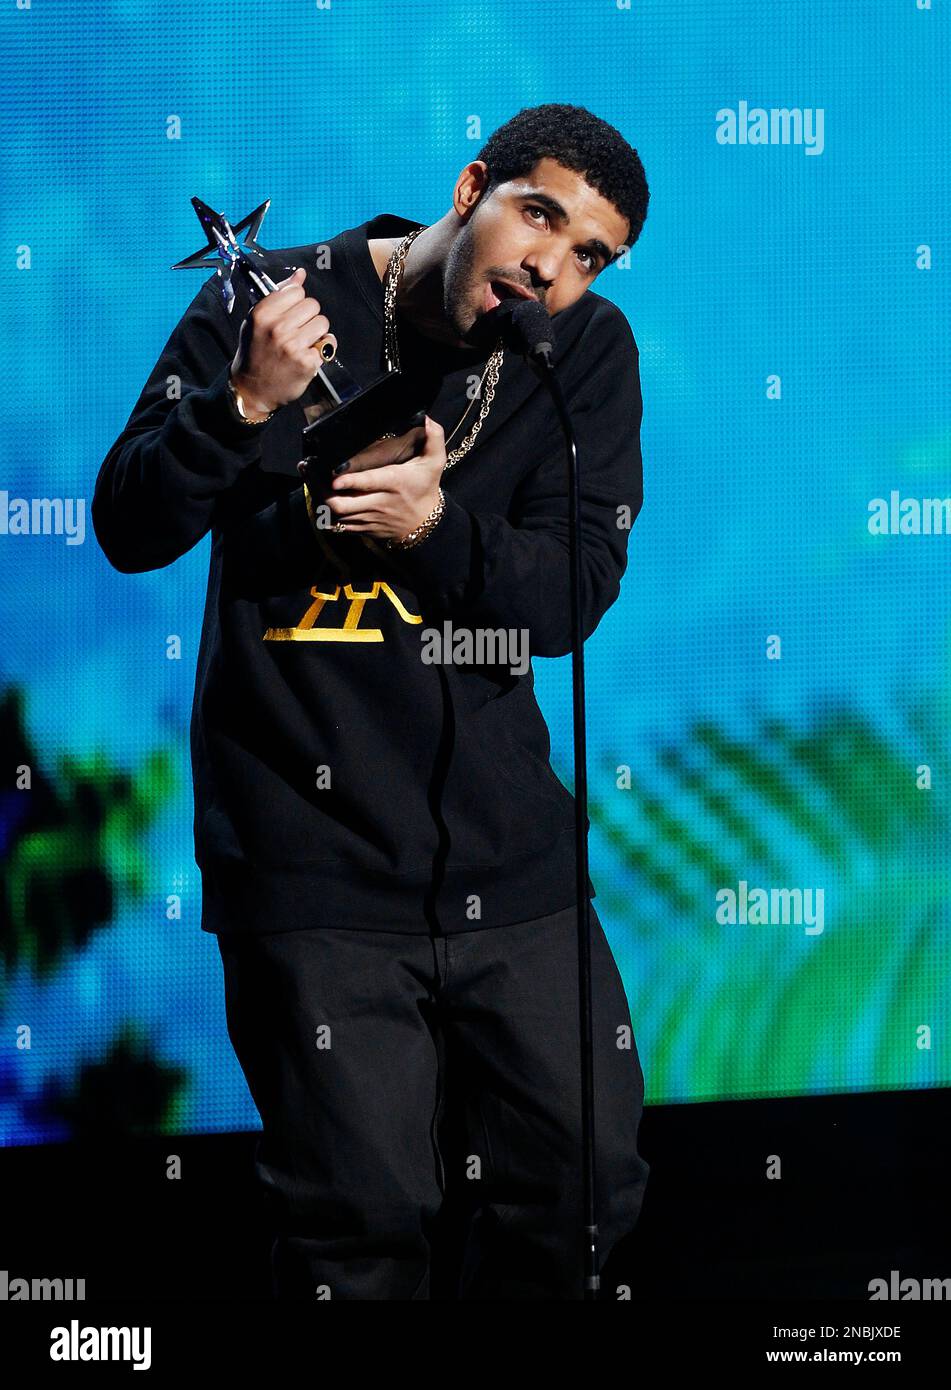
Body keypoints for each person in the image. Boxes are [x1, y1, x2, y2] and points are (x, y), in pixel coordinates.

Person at [92, 103, 651, 1300]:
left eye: (590, 254)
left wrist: (439, 529)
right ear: (472, 189)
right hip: (314, 866)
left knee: (586, 1186)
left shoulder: (585, 356)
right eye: (538, 214)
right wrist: (238, 406)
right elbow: (127, 525)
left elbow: (569, 599)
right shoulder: (275, 297)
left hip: (512, 863)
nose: (552, 266)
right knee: (363, 1230)